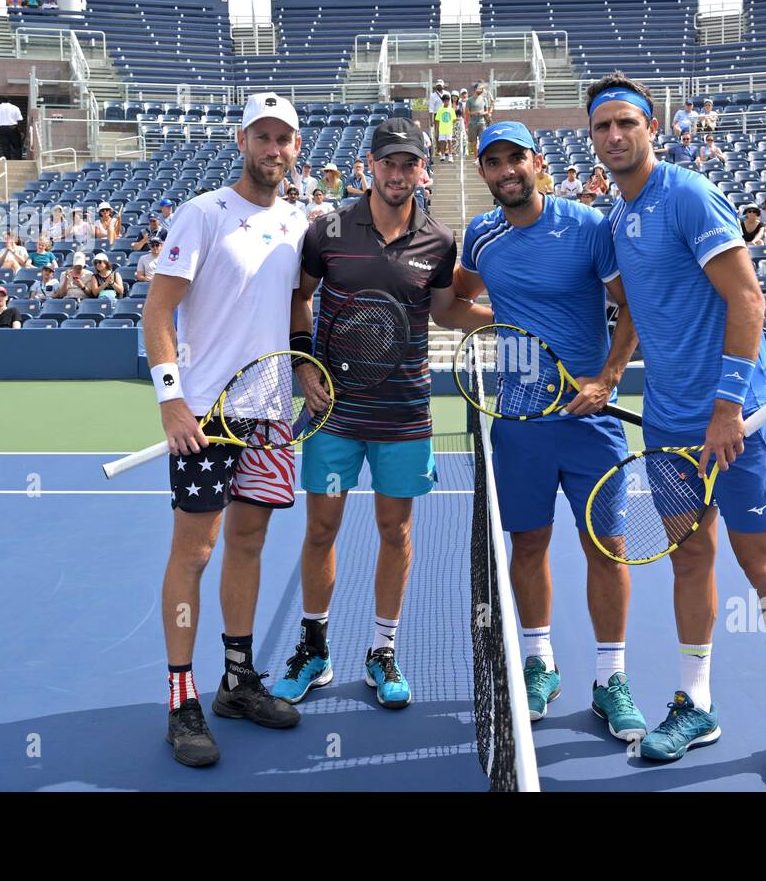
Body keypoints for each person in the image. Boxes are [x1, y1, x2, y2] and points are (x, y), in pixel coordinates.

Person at [587, 73, 766, 785]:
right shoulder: (619, 217)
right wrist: (607, 375)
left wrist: (726, 409)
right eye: (603, 127)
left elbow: (747, 298)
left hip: (735, 419)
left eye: (628, 122)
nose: (616, 136)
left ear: (652, 128)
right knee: (689, 559)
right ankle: (695, 703)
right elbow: (635, 310)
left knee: (764, 567)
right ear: (592, 138)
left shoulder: (687, 195)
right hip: (667, 421)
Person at [275, 117, 487, 712]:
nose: (398, 174)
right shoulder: (328, 228)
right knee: (322, 529)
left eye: (409, 164)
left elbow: (447, 311)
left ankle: (382, 651)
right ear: (370, 164)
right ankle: (314, 650)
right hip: (334, 414)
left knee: (396, 532)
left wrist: (506, 315)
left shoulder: (439, 242)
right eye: (388, 162)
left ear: (423, 169)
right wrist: (304, 365)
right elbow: (300, 295)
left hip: (403, 415)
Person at [451, 119, 646, 737]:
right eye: (494, 162)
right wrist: (499, 317)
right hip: (520, 423)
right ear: (483, 172)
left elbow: (630, 308)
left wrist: (608, 379)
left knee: (605, 547)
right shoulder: (481, 236)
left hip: (591, 423)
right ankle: (539, 663)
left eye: (517, 158)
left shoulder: (589, 227)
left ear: (538, 162)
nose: (506, 171)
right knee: (528, 546)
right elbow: (454, 304)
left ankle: (611, 678)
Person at [143, 92, 310, 768]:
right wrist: (171, 401)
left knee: (249, 541)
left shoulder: (301, 222)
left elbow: (295, 305)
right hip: (208, 416)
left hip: (270, 415)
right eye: (263, 137)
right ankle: (182, 697)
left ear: (297, 147)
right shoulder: (204, 213)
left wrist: (308, 368)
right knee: (195, 553)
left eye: (285, 139)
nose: (274, 149)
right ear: (242, 141)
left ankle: (237, 682)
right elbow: (157, 313)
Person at [466, 82, 491, 157]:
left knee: (482, 140)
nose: (481, 90)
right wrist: (475, 113)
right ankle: (476, 157)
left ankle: (481, 156)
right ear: (475, 89)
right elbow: (467, 112)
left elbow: (487, 111)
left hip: (482, 122)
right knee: (473, 142)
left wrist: (482, 113)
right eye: (480, 89)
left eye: (482, 89)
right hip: (472, 123)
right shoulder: (469, 100)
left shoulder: (484, 99)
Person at [434, 98, 456, 163]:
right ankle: (443, 155)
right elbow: (437, 120)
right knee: (442, 142)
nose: (447, 102)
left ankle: (450, 156)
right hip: (442, 129)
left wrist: (451, 125)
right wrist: (437, 130)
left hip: (449, 129)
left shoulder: (451, 110)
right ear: (443, 101)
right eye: (445, 101)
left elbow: (454, 119)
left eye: (448, 101)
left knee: (449, 142)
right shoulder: (440, 110)